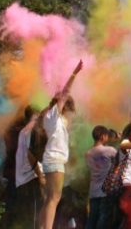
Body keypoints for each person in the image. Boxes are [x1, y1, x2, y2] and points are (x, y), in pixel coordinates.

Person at [38, 59, 84, 229]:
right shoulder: (54, 115)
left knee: (49, 199)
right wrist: (74, 73)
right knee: (54, 199)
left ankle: (41, 227)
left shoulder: (51, 117)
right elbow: (65, 93)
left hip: (51, 160)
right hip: (55, 160)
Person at [12, 106, 42, 229]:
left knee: (25, 220)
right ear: (35, 115)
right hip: (30, 179)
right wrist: (40, 175)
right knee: (33, 220)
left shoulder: (23, 131)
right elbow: (30, 154)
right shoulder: (31, 130)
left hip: (21, 181)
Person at [85, 125, 118, 228]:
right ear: (103, 136)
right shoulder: (110, 150)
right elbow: (121, 160)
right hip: (106, 191)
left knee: (92, 218)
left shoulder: (88, 153)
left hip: (93, 191)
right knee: (103, 220)